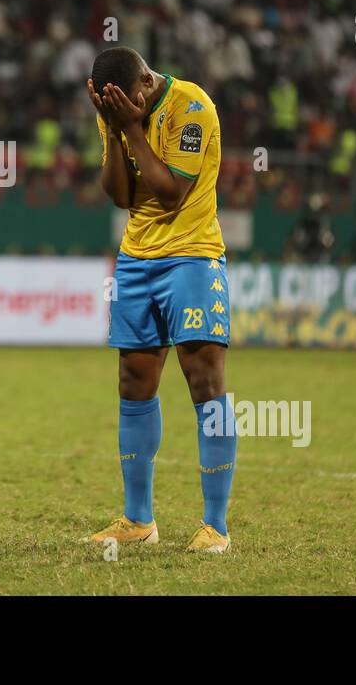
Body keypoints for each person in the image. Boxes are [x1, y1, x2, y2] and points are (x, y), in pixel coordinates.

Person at [84, 46, 236, 554]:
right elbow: (121, 195)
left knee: (206, 384)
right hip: (135, 259)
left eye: (129, 106)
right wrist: (111, 127)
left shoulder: (193, 107)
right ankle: (138, 519)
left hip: (192, 258)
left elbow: (170, 193)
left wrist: (129, 129)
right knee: (133, 383)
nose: (127, 114)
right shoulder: (121, 111)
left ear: (146, 83)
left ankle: (215, 525)